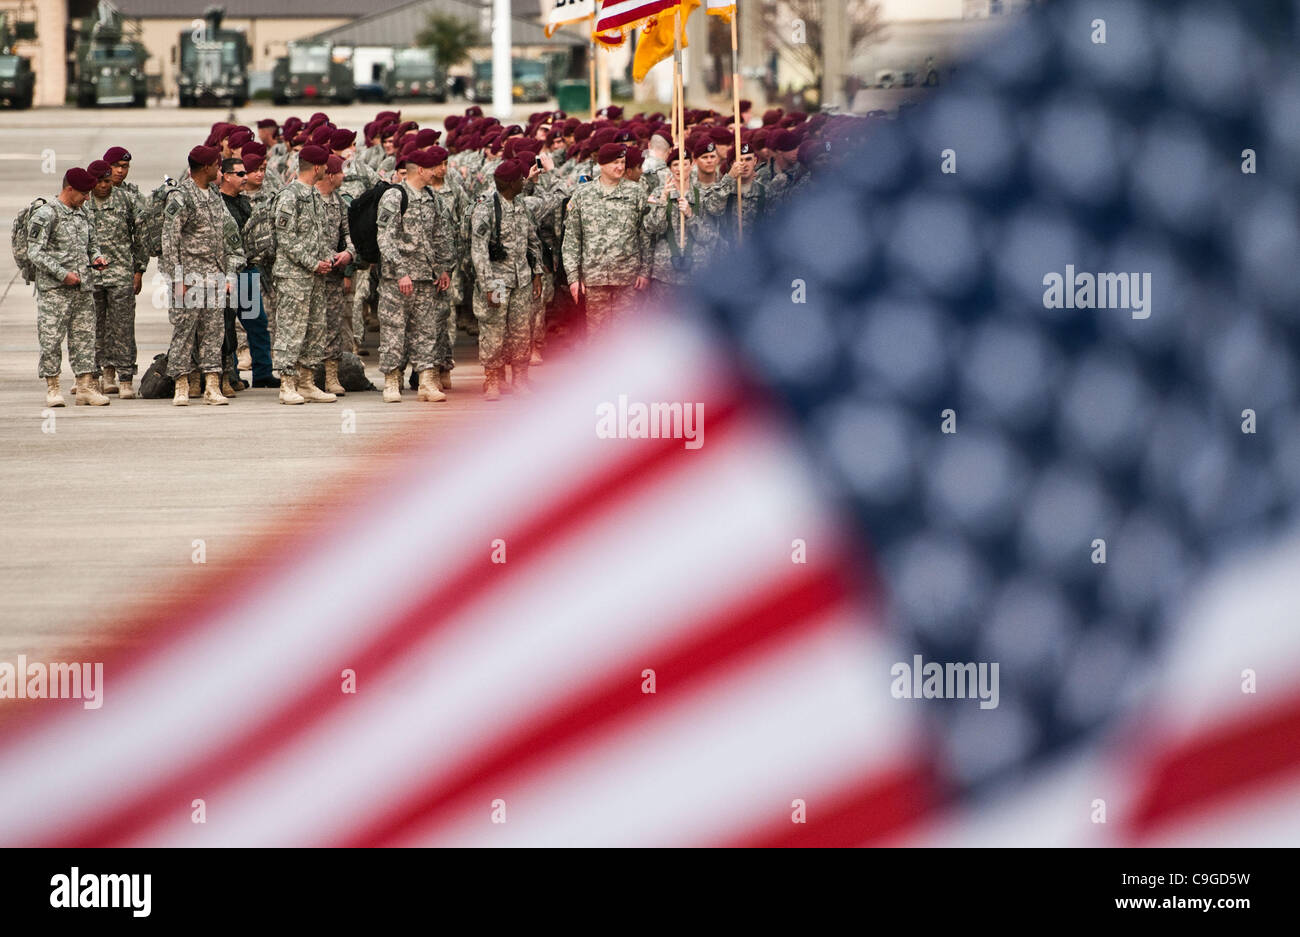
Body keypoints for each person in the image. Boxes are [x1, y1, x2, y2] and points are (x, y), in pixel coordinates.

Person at [375, 148, 454, 403]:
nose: (436, 173)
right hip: (397, 279)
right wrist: (401, 272)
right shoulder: (394, 196)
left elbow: (440, 236)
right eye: (432, 168)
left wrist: (443, 268)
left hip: (426, 278)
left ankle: (426, 382)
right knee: (394, 330)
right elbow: (385, 238)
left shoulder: (432, 198)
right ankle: (391, 380)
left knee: (427, 331)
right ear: (420, 169)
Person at [27, 167, 110, 407]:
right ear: (69, 189)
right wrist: (62, 275)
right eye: (83, 193)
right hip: (55, 291)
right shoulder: (46, 214)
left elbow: (92, 244)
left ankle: (85, 387)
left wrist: (97, 257)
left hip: (82, 288)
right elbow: (35, 252)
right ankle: (53, 388)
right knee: (51, 340)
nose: (87, 198)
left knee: (84, 338)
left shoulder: (83, 213)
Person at [269, 144, 343, 405]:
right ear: (317, 167)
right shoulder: (290, 196)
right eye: (325, 166)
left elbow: (319, 236)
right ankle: (287, 384)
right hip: (294, 277)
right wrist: (313, 263)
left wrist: (327, 259)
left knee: (315, 329)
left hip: (315, 276)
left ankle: (307, 382)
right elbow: (286, 238)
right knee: (291, 329)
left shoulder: (313, 196)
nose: (327, 170)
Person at [161, 145, 233, 406]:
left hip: (214, 275)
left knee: (214, 333)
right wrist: (177, 279)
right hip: (189, 278)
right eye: (216, 164)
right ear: (205, 168)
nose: (219, 169)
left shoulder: (214, 194)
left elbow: (224, 235)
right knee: (184, 332)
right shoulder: (181, 197)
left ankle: (212, 385)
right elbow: (169, 239)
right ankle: (181, 384)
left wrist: (227, 274)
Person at [470, 159, 544, 400]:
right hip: (497, 281)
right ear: (511, 183)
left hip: (521, 279)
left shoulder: (521, 205)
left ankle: (520, 379)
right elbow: (479, 251)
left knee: (522, 331)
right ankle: (492, 379)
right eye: (521, 179)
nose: (524, 182)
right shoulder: (485, 209)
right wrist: (488, 285)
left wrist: (537, 273)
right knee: (494, 330)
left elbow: (533, 241)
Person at [561, 143, 650, 336]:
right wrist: (573, 277)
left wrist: (644, 271)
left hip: (627, 277)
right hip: (594, 278)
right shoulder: (583, 194)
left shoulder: (636, 192)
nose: (620, 167)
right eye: (615, 163)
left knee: (626, 335)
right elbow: (572, 239)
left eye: (622, 162)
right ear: (601, 164)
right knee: (597, 335)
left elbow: (644, 234)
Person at [85, 158, 145, 399]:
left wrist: (139, 269)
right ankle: (94, 376)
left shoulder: (126, 200)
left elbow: (140, 235)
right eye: (99, 181)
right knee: (92, 328)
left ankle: (126, 377)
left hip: (120, 273)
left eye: (107, 181)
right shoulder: (83, 201)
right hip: (91, 276)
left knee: (123, 328)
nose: (103, 186)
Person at [315, 153, 356, 396]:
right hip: (310, 275)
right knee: (308, 326)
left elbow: (349, 235)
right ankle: (305, 377)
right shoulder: (307, 199)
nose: (344, 176)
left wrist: (349, 253)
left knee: (333, 325)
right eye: (340, 172)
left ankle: (331, 376)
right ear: (330, 175)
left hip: (333, 276)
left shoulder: (339, 202)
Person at [239, 153, 279, 388]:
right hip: (237, 270)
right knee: (232, 324)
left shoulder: (270, 197)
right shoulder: (230, 199)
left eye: (262, 169)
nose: (259, 174)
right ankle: (237, 363)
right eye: (254, 170)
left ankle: (263, 370)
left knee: (260, 321)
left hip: (259, 268)